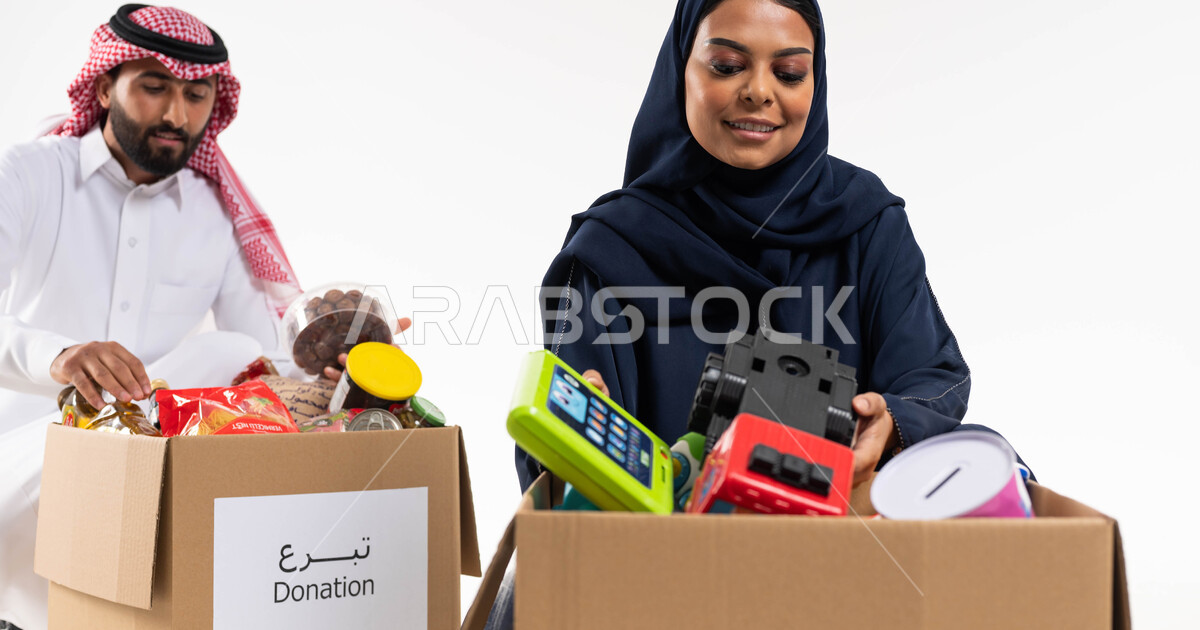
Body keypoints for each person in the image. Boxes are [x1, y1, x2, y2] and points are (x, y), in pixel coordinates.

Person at [0, 6, 301, 628]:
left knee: (228, 352)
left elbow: (268, 358)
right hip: (18, 458)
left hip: (148, 479)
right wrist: (58, 356)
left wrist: (336, 351)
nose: (176, 116)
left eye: (196, 96)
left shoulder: (216, 216)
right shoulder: (26, 177)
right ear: (105, 85)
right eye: (154, 88)